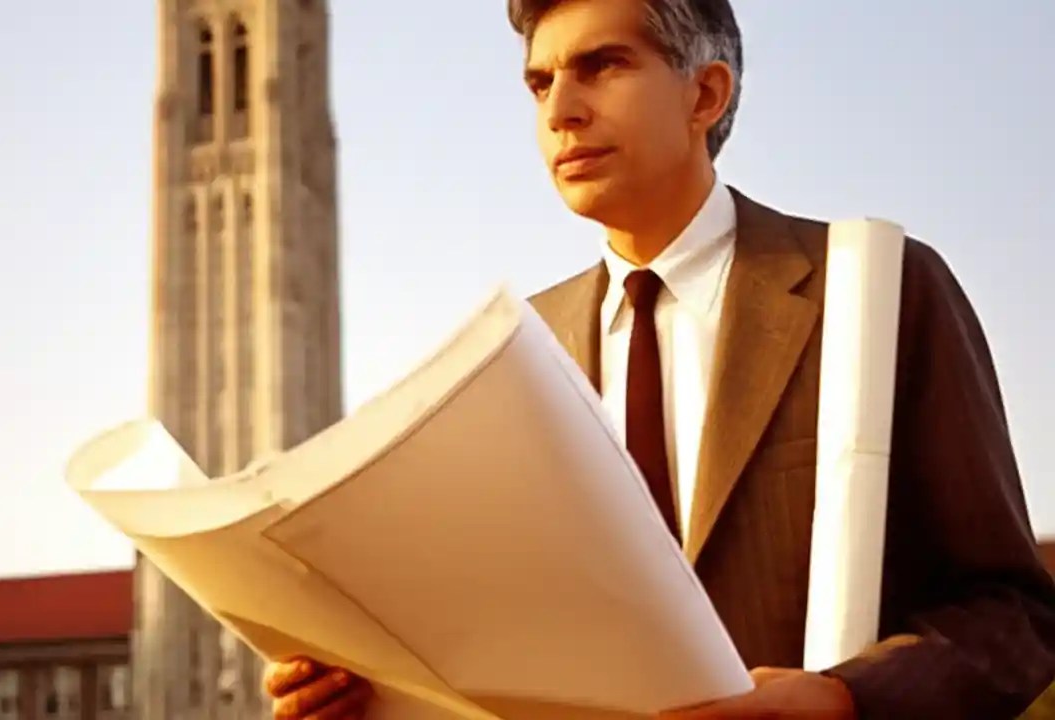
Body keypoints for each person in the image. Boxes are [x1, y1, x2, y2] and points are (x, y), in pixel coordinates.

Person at [262, 0, 1055, 717]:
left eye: (601, 66)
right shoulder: (509, 355)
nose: (562, 113)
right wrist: (364, 692)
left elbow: (1014, 615)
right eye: (539, 85)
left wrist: (845, 699)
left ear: (705, 95)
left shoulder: (877, 287)